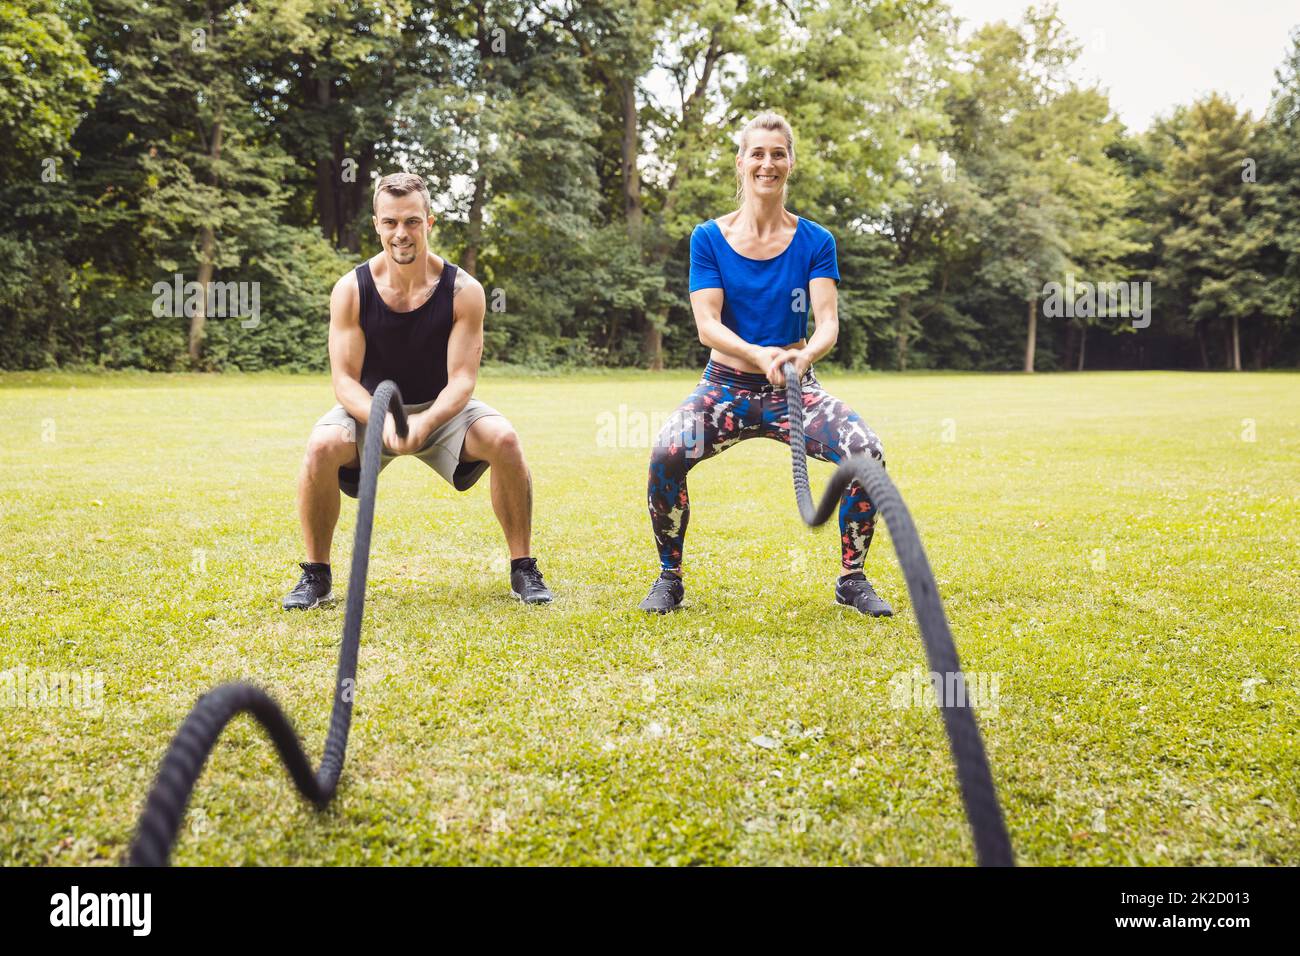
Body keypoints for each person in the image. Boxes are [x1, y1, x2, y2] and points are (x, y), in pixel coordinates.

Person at [640, 112, 891, 617]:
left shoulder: (816, 241)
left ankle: (852, 578)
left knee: (866, 452)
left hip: (794, 390)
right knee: (667, 453)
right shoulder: (708, 238)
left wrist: (803, 355)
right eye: (757, 153)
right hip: (724, 388)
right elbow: (707, 325)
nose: (767, 163)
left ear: (790, 163)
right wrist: (757, 354)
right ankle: (670, 578)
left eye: (778, 154)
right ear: (741, 162)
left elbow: (827, 324)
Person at [283, 172, 552, 609]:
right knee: (320, 446)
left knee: (504, 439)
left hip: (439, 407)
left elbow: (463, 379)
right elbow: (344, 382)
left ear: (429, 221)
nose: (400, 234)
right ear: (376, 224)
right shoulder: (351, 289)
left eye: (411, 221)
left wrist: (425, 420)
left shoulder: (464, 291)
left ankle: (523, 567)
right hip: (371, 409)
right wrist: (385, 420)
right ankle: (316, 575)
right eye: (390, 223)